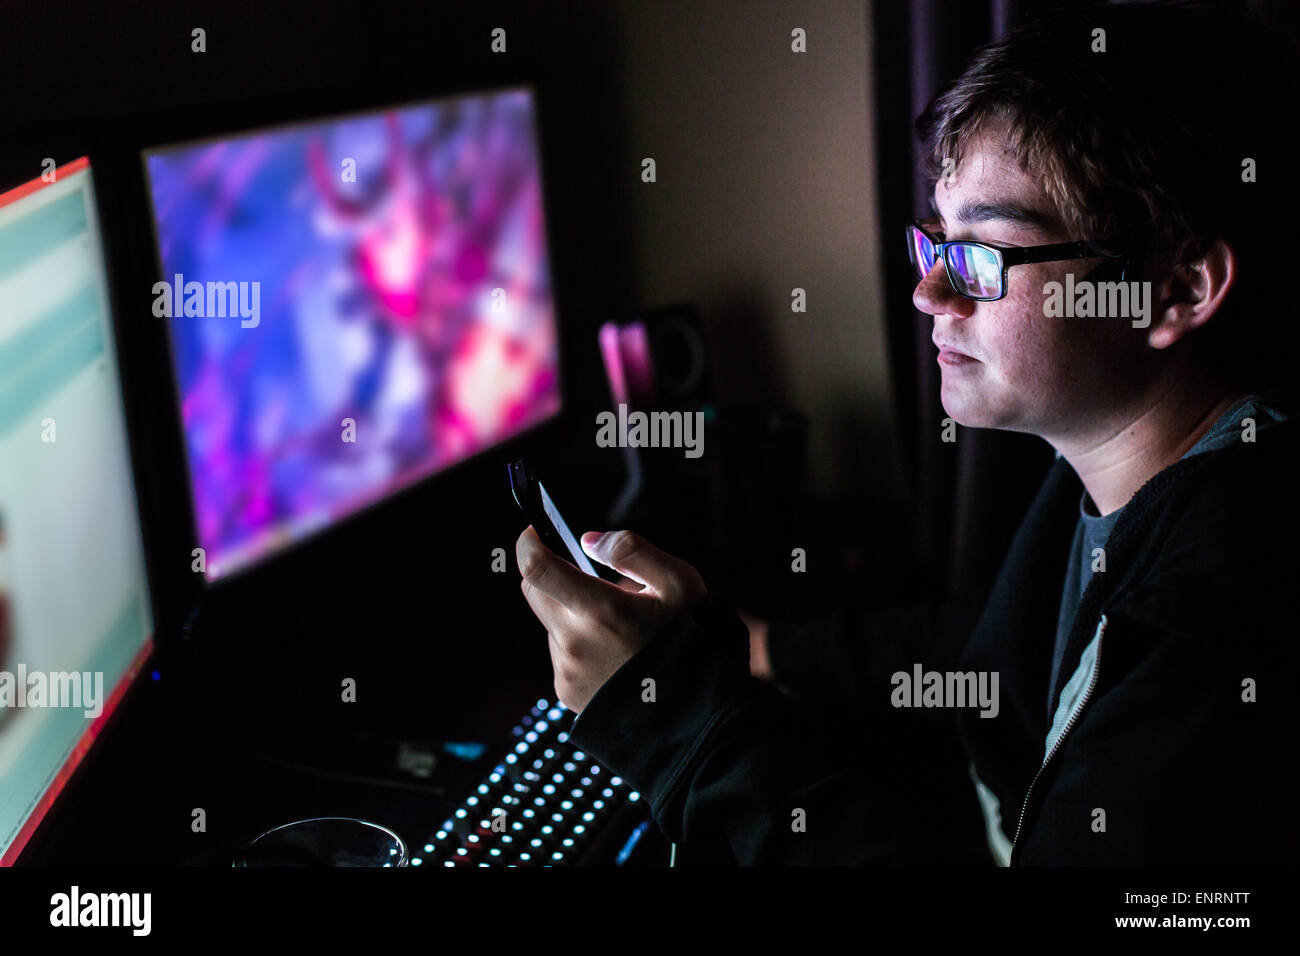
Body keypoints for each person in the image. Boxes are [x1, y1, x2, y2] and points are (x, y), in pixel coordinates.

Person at [515, 0, 1300, 864]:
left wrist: (675, 722)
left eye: (986, 256)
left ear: (1177, 289)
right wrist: (766, 649)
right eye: (935, 242)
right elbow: (995, 646)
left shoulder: (1213, 627)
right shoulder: (1122, 455)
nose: (931, 293)